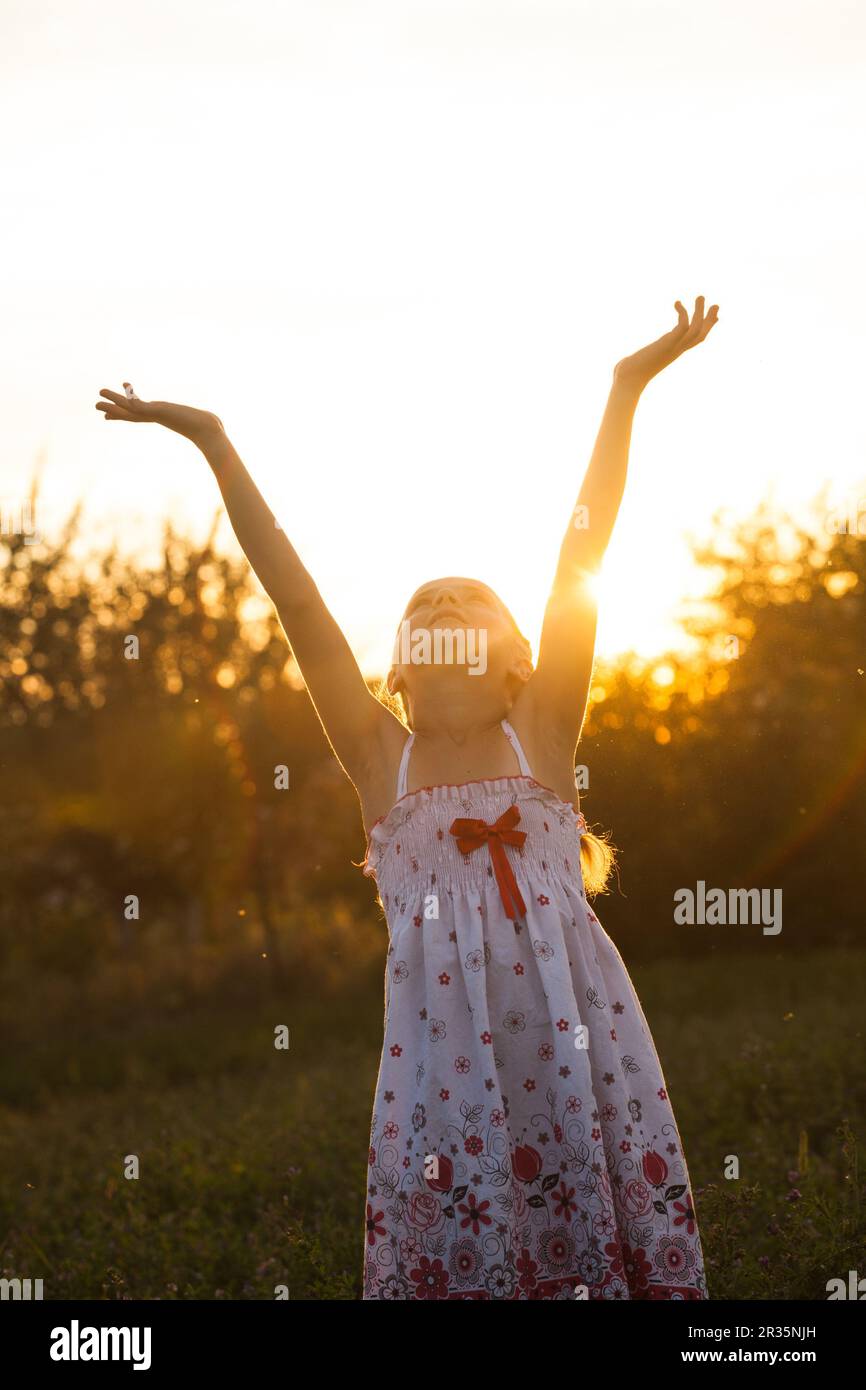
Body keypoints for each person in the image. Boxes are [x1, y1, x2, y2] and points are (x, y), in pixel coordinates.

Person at [95, 294, 719, 1300]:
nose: (439, 606)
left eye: (464, 600)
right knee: (466, 1229)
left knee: (587, 1217)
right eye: (420, 608)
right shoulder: (376, 756)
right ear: (400, 670)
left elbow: (582, 550)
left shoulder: (545, 732)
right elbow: (294, 598)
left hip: (576, 1042)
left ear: (516, 658)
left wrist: (624, 386)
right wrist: (212, 443)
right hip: (447, 1066)